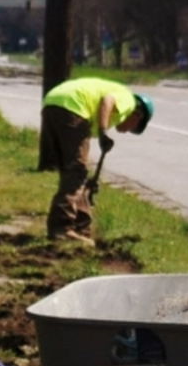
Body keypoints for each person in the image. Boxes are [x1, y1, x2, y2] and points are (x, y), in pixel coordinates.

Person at [38, 77, 152, 243]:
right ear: (138, 115)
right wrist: (103, 132)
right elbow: (108, 100)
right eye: (134, 127)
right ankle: (62, 228)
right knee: (77, 172)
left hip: (52, 104)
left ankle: (81, 228)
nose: (128, 131)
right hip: (74, 108)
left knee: (72, 173)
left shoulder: (104, 102)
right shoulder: (128, 100)